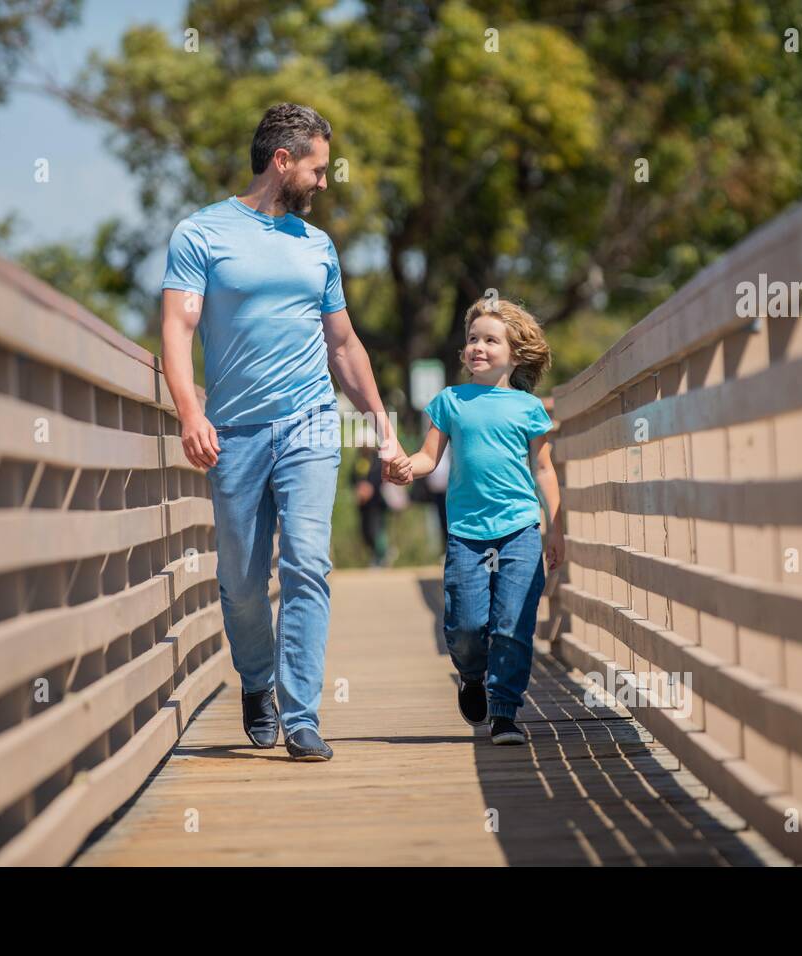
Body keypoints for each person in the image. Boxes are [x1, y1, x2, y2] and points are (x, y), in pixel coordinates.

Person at [160, 103, 409, 762]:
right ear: (283, 161)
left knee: (307, 564)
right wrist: (190, 411)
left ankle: (302, 715)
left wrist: (381, 424)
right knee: (242, 583)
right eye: (318, 169)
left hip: (310, 422)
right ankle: (257, 682)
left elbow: (344, 344)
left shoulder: (317, 246)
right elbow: (178, 331)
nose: (324, 182)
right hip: (233, 431)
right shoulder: (201, 235)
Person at [401, 297, 564, 745]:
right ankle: (472, 675)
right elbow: (427, 457)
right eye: (473, 339)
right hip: (467, 533)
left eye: (491, 340)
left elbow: (544, 470)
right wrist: (403, 467)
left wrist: (556, 527)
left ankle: (505, 712)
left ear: (515, 352)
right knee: (467, 626)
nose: (479, 347)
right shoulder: (450, 401)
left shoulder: (529, 409)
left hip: (519, 528)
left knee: (513, 624)